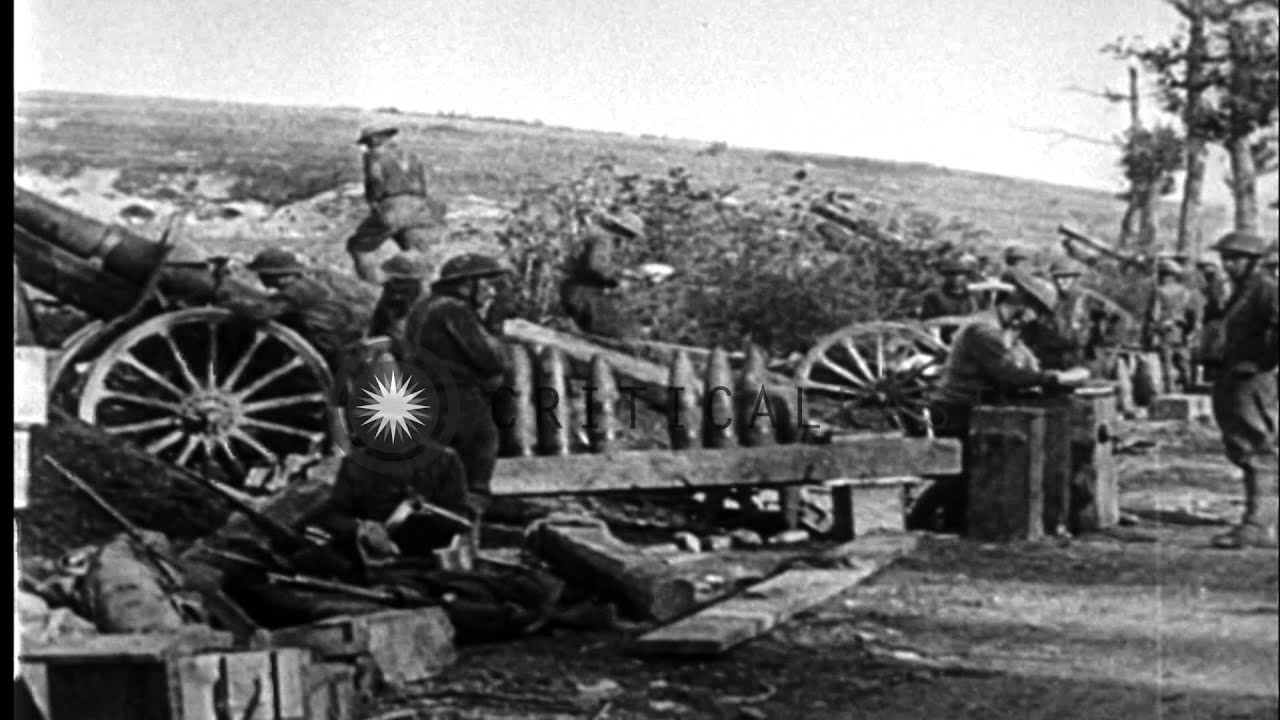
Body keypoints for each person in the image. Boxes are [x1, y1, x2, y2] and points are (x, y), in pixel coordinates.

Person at [906, 269, 1090, 534]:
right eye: (1035, 310)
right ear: (1021, 305)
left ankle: (952, 528)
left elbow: (1023, 363)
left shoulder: (1003, 331)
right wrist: (1054, 379)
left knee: (970, 473)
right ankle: (920, 524)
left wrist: (1044, 374)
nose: (1035, 318)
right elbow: (1008, 374)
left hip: (973, 406)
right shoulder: (983, 330)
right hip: (955, 407)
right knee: (961, 474)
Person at [404, 253, 513, 507]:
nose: (491, 292)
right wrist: (496, 324)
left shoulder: (423, 306)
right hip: (456, 397)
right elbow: (493, 359)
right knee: (480, 452)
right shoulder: (455, 310)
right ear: (467, 284)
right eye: (486, 284)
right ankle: (467, 519)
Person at [1207, 232, 1278, 550]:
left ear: (1252, 261)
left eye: (1234, 259)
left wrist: (1263, 362)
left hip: (1251, 377)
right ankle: (1256, 520)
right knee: (1242, 444)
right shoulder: (1244, 290)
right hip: (1234, 374)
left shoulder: (1265, 289)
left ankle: (1258, 525)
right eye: (1225, 259)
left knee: (1256, 446)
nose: (1228, 265)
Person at [308, 445, 470, 563]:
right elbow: (333, 515)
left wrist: (429, 515)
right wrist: (363, 530)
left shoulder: (444, 460)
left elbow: (461, 521)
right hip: (367, 559)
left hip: (425, 559)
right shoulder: (355, 463)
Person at [220, 249, 366, 370]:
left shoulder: (299, 290)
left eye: (262, 274)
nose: (260, 278)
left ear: (276, 275)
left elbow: (262, 313)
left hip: (324, 340)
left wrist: (231, 305)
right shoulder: (304, 285)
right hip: (333, 336)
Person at [346, 125, 441, 283]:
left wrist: (375, 202)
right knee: (414, 247)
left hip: (392, 206)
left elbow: (375, 179)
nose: (368, 145)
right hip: (418, 205)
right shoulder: (411, 154)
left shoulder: (373, 154)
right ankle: (424, 285)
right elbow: (422, 182)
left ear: (377, 138)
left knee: (358, 246)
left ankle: (376, 284)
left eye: (369, 141)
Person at [560, 210, 645, 338]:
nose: (629, 240)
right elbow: (596, 266)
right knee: (622, 334)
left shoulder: (596, 235)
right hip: (583, 292)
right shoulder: (604, 239)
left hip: (575, 289)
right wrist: (619, 276)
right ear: (622, 229)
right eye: (630, 235)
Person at [1142, 258, 1201, 393]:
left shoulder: (1159, 291)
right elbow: (1193, 315)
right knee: (1184, 364)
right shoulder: (1186, 293)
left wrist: (1151, 332)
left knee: (1167, 366)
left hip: (1165, 333)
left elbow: (1153, 315)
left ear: (1164, 274)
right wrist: (1189, 331)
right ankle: (1189, 391)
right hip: (1182, 333)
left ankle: (1170, 393)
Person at [369, 252, 429, 359]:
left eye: (403, 282)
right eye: (397, 281)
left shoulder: (423, 299)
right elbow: (377, 324)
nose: (398, 287)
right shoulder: (388, 291)